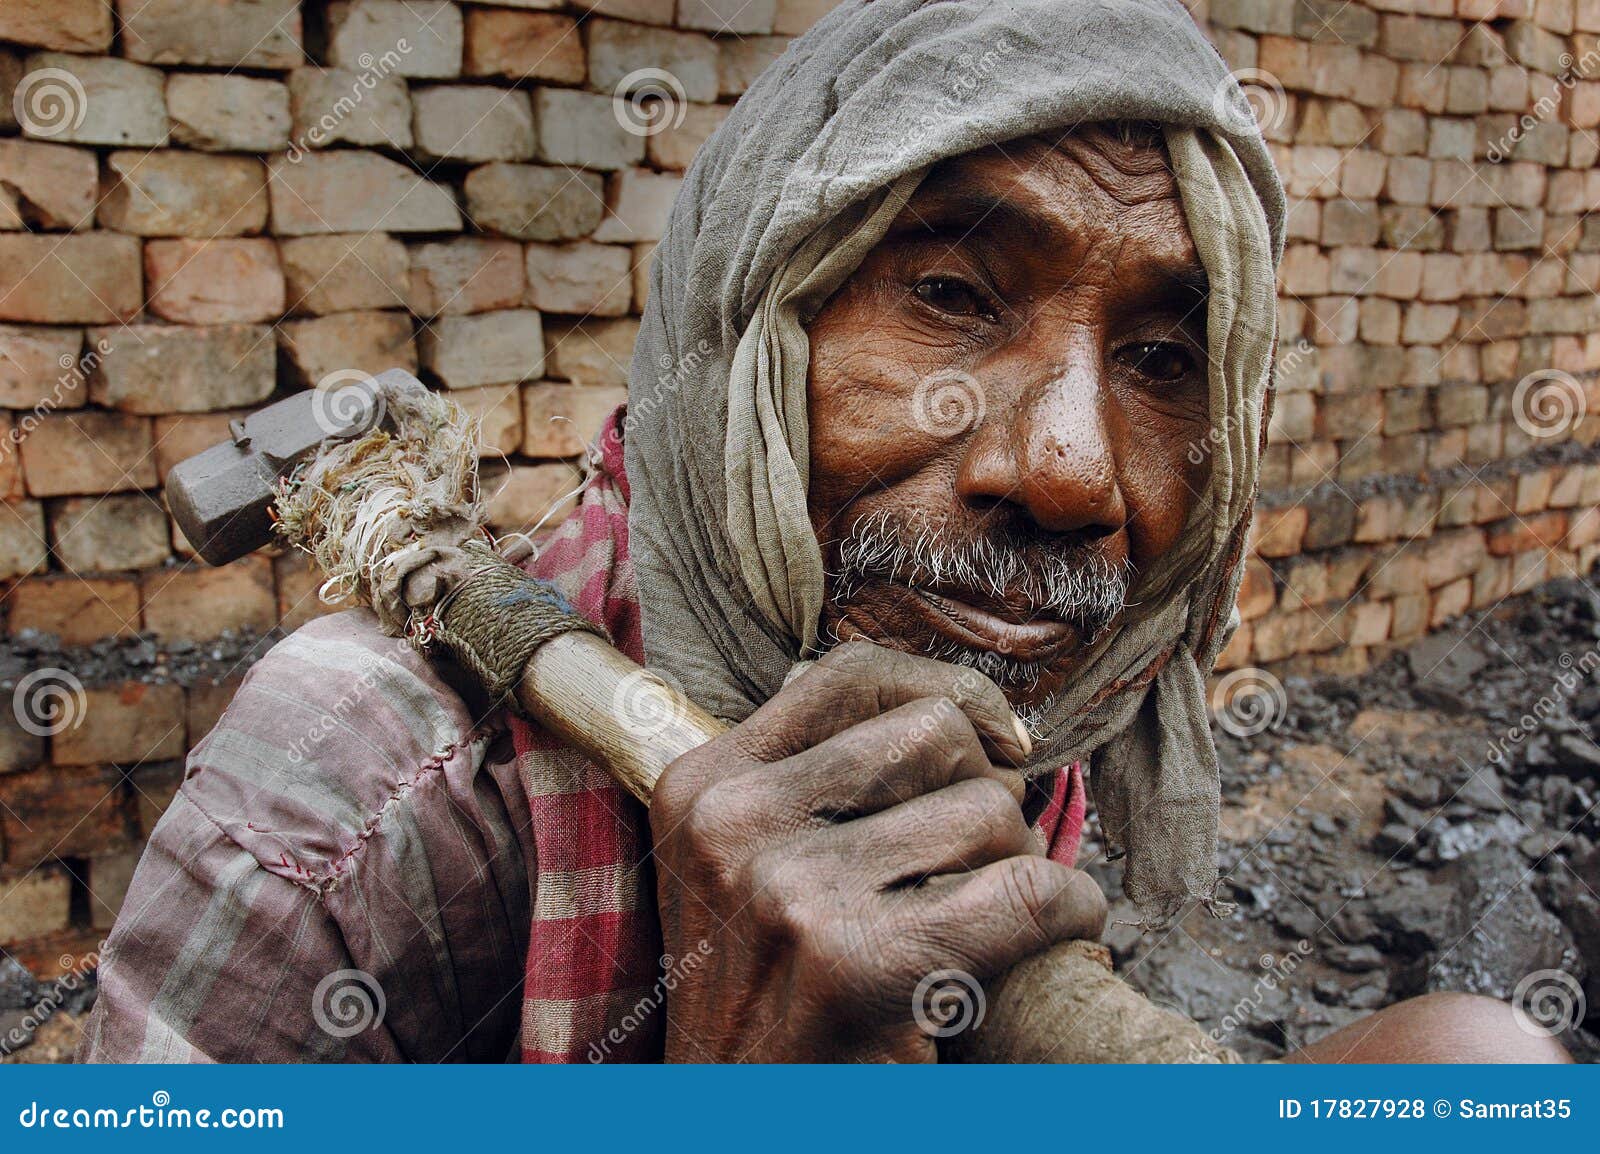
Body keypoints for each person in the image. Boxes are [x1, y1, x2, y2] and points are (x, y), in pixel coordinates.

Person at [78, 0, 1568, 1064]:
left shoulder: (1025, 700)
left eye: (1163, 360)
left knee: (1479, 1058)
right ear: (742, 338)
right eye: (953, 298)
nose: (1071, 472)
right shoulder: (352, 812)